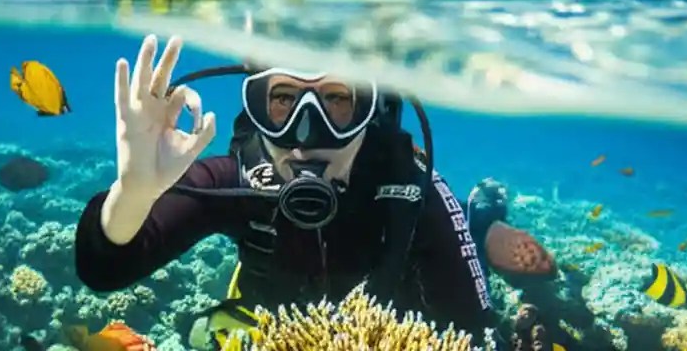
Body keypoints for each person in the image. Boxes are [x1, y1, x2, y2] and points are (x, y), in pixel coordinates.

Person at [75, 35, 559, 350]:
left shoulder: (408, 187)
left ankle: (482, 215)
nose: (307, 136)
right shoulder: (239, 180)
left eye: (337, 100)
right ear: (258, 107)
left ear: (368, 111)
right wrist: (135, 192)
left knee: (466, 236)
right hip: (271, 322)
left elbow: (476, 331)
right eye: (284, 100)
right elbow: (104, 267)